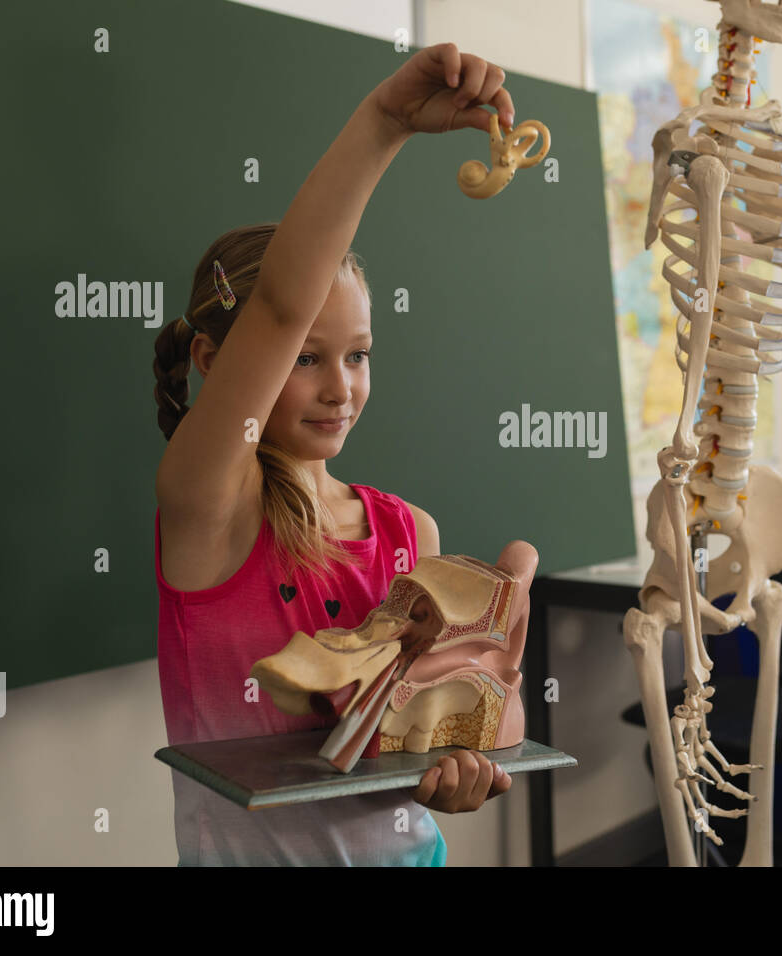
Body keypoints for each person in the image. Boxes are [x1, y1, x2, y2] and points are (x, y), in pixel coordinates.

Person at [150, 44, 523, 865]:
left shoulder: (408, 534)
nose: (339, 388)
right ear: (218, 364)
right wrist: (385, 122)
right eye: (306, 358)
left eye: (358, 355)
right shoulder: (208, 508)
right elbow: (283, 304)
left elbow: (420, 731)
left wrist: (457, 764)